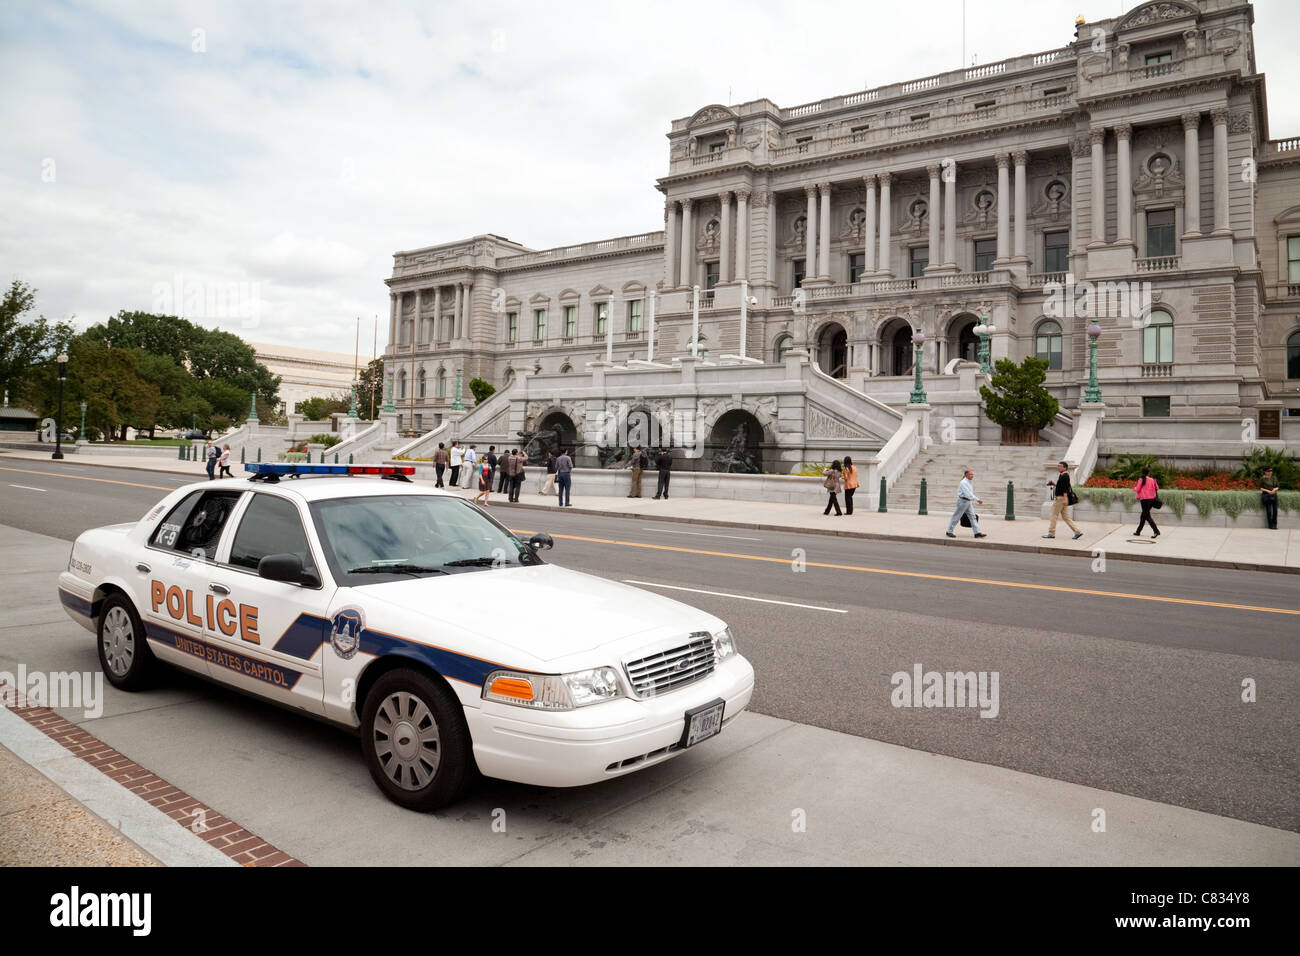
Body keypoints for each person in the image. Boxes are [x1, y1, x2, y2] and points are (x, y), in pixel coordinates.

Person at [1042, 460, 1084, 540]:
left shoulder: (1065, 476)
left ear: (1065, 468)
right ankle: (1077, 532)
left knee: (1054, 515)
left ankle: (1051, 533)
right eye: (1058, 466)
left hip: (1061, 498)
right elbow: (1061, 486)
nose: (1058, 467)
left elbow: (1065, 489)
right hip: (1062, 498)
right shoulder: (1062, 475)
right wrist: (1053, 484)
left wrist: (1064, 499)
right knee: (1066, 517)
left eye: (1060, 466)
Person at [946, 468, 987, 538]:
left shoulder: (969, 482)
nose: (972, 476)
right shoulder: (963, 483)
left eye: (972, 474)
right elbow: (968, 494)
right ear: (966, 475)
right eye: (970, 474)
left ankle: (977, 533)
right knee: (956, 517)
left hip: (968, 502)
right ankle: (949, 531)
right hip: (963, 501)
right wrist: (977, 499)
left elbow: (970, 494)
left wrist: (974, 499)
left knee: (972, 517)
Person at [1133, 466, 1160, 538]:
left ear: (1142, 472)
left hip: (1144, 500)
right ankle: (1138, 531)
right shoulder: (1153, 480)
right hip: (1152, 500)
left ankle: (1156, 531)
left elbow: (1137, 489)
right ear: (1148, 473)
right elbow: (1157, 488)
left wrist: (1134, 488)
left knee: (1147, 516)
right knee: (1143, 516)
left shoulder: (1141, 479)